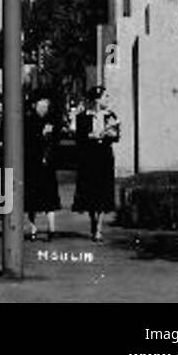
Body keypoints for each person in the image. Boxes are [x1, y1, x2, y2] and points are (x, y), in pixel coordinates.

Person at [73, 86, 120, 242]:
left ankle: (98, 227)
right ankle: (93, 221)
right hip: (89, 158)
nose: (107, 100)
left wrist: (110, 134)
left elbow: (116, 136)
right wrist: (90, 135)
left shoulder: (110, 116)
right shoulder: (83, 117)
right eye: (105, 97)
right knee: (90, 193)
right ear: (97, 100)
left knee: (102, 192)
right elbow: (78, 138)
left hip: (104, 157)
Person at [23, 93, 60, 241]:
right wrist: (41, 133)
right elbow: (27, 141)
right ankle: (33, 227)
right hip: (33, 163)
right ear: (34, 106)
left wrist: (51, 134)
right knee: (32, 199)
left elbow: (57, 140)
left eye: (46, 106)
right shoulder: (28, 120)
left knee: (49, 197)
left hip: (48, 164)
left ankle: (51, 228)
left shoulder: (52, 120)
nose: (44, 109)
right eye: (41, 105)